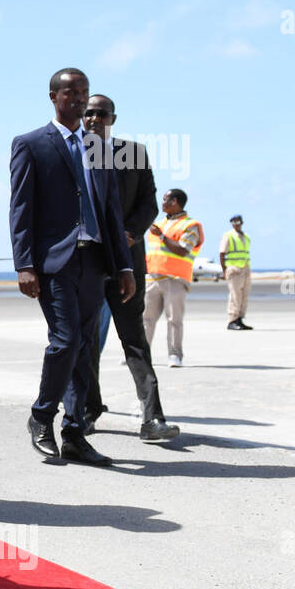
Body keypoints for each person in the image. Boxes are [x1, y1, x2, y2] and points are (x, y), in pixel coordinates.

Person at [10, 68, 134, 467]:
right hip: (55, 262)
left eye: (84, 92)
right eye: (70, 92)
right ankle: (42, 416)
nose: (79, 99)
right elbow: (21, 208)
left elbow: (111, 211)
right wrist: (24, 263)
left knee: (86, 347)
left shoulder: (100, 148)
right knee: (65, 341)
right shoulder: (31, 144)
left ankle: (75, 432)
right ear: (53, 96)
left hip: (95, 260)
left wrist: (126, 267)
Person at [81, 95, 179, 442]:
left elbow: (148, 202)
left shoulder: (133, 153)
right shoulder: (71, 152)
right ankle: (88, 410)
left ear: (112, 118)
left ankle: (153, 418)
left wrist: (129, 234)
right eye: (88, 112)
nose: (93, 118)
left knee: (134, 339)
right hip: (86, 263)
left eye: (100, 114)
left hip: (126, 261)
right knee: (86, 340)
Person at [143, 188, 203, 367]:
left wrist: (162, 236)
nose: (162, 203)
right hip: (153, 277)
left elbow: (183, 250)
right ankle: (143, 355)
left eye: (165, 200)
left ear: (175, 202)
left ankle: (175, 355)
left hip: (175, 279)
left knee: (174, 319)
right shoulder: (160, 224)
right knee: (146, 319)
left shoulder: (190, 225)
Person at [220, 214, 252, 330]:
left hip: (245, 268)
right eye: (234, 222)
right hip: (234, 269)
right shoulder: (228, 236)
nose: (236, 224)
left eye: (238, 221)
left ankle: (240, 318)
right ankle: (232, 319)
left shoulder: (246, 237)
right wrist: (224, 271)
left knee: (244, 295)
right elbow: (222, 253)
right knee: (235, 295)